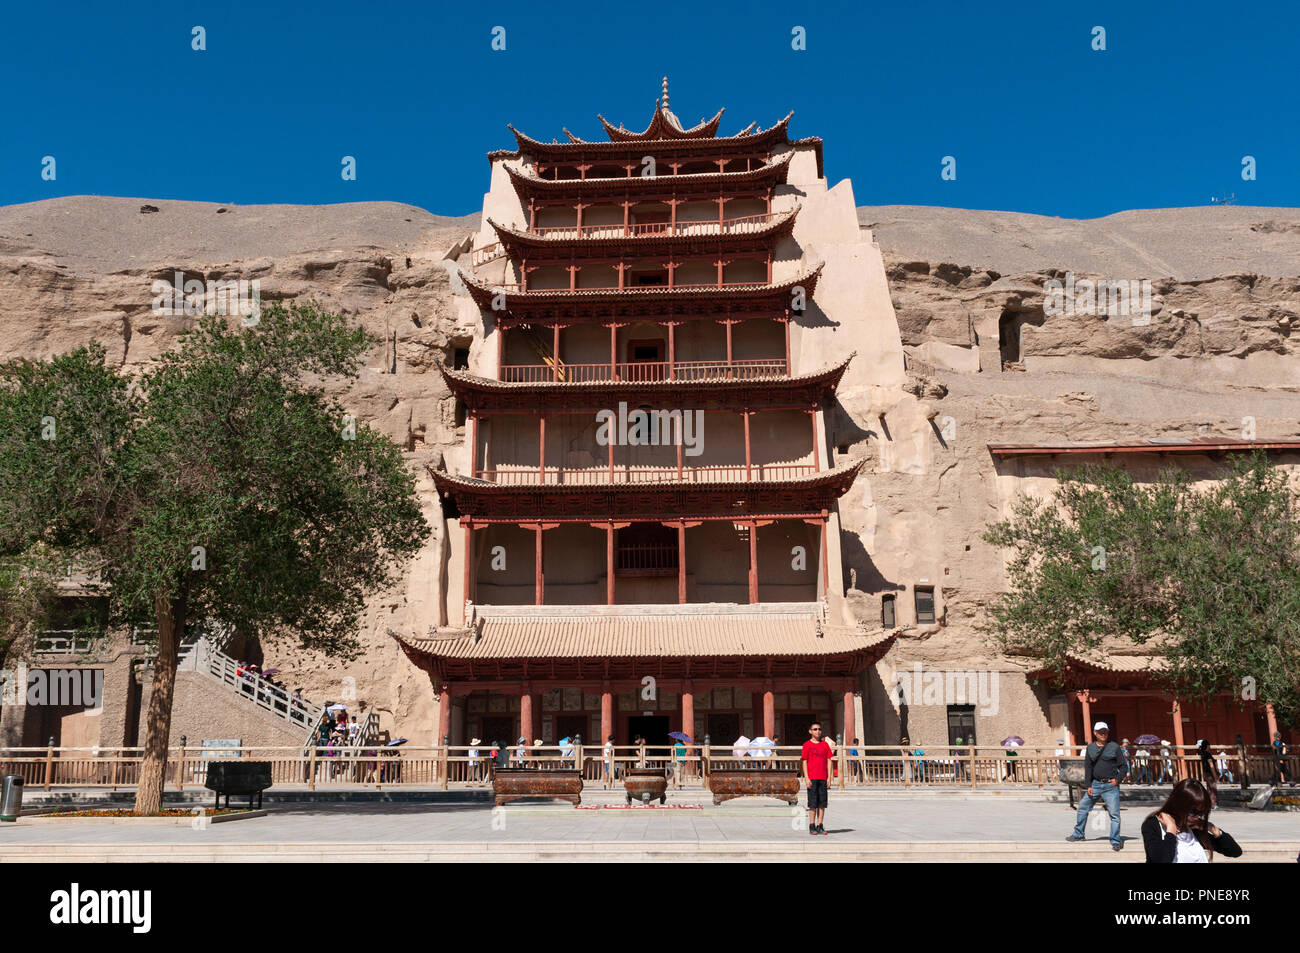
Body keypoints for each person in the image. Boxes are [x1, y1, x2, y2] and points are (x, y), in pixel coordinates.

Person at [1141, 778, 1242, 863]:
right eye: (1194, 812)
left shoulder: (1193, 829)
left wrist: (1214, 829)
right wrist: (1171, 831)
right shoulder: (1153, 825)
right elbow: (1160, 859)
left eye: (1202, 813)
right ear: (1178, 805)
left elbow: (1235, 851)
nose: (1198, 817)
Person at [1066, 721, 1128, 851]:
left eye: (1105, 731)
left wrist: (1117, 779)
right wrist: (1088, 785)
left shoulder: (1114, 747)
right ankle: (1078, 834)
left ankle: (1115, 840)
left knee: (1114, 814)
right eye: (1100, 731)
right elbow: (1088, 767)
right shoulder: (1090, 748)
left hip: (1110, 786)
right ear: (1095, 733)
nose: (1103, 734)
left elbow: (1123, 766)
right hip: (1095, 784)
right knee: (1082, 807)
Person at [801, 721, 833, 835]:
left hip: (823, 777)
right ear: (810, 731)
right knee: (813, 803)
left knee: (822, 803)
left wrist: (829, 777)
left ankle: (820, 825)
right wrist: (806, 778)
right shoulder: (806, 745)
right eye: (815, 729)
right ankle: (811, 825)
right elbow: (804, 762)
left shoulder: (825, 745)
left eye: (819, 729)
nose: (817, 731)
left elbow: (829, 761)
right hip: (812, 778)